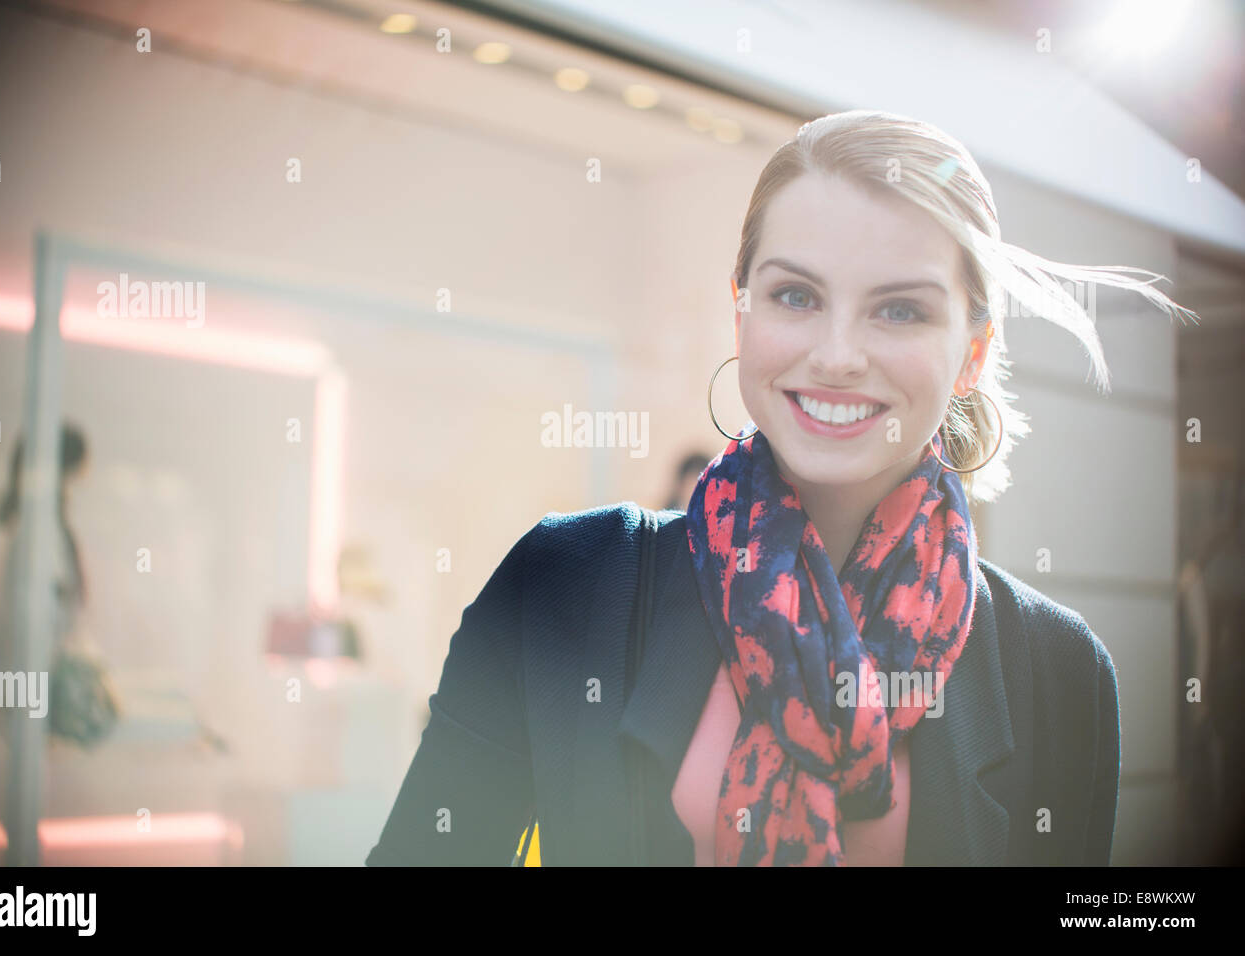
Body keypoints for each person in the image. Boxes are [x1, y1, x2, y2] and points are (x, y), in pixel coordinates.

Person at [365, 110, 1199, 866]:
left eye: (900, 310)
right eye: (796, 296)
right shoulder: (564, 582)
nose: (837, 353)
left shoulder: (1056, 669)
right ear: (743, 312)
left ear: (973, 353)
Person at [0, 422, 119, 750]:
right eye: (73, 479)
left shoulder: (43, 532)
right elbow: (35, 620)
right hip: (32, 688)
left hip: (37, 688)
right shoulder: (36, 536)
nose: (75, 490)